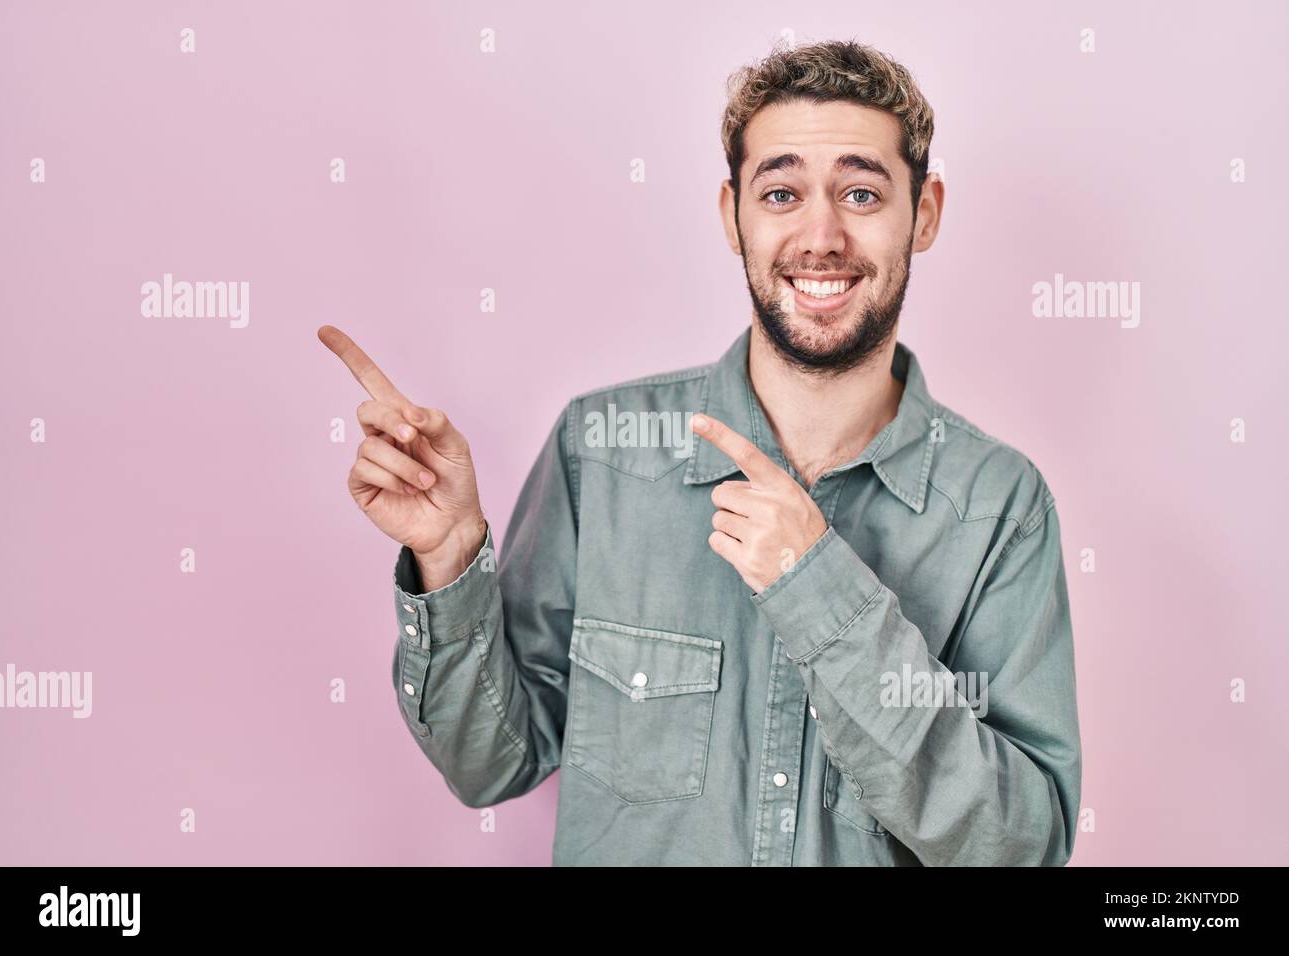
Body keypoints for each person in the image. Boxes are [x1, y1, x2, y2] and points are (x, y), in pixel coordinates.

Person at [318, 38, 1081, 866]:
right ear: (733, 216)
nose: (820, 236)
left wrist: (821, 589)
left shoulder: (1002, 507)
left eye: (862, 193)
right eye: (782, 193)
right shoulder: (601, 457)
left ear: (924, 214)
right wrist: (449, 559)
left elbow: (1019, 846)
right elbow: (491, 763)